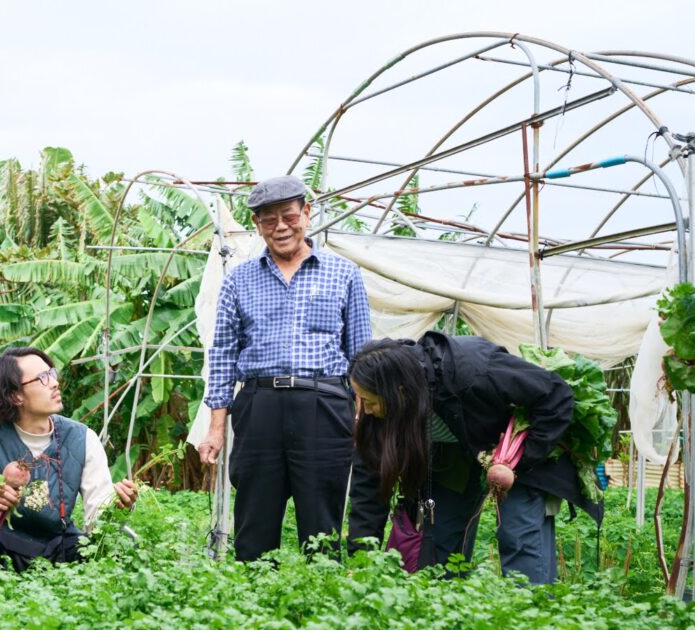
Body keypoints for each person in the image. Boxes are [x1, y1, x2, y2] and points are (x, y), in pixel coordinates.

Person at [197, 175, 372, 560]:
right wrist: (214, 429)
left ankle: (323, 603)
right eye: (268, 220)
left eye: (289, 216)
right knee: (254, 521)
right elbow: (223, 354)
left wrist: (362, 420)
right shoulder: (238, 280)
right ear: (257, 226)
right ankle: (254, 607)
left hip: (324, 404)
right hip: (259, 405)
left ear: (306, 214)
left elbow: (361, 356)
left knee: (322, 523)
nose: (280, 227)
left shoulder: (344, 274)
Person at [346, 335, 601, 583]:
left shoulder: (473, 371)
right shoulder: (378, 413)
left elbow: (556, 394)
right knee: (440, 549)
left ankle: (533, 615)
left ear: (398, 391)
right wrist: (361, 559)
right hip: (454, 452)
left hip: (518, 449)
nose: (365, 410)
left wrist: (520, 460)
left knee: (518, 536)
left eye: (369, 402)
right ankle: (445, 612)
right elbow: (368, 485)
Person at [0, 347, 137, 571]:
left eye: (52, 374)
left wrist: (118, 507)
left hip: (61, 547)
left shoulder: (83, 438)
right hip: (2, 543)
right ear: (15, 395)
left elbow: (97, 516)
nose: (54, 383)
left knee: (123, 539)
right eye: (43, 378)